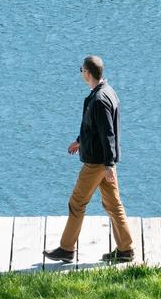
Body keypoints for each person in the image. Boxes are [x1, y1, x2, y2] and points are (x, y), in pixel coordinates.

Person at [43, 55, 136, 263]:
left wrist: (109, 164)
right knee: (113, 204)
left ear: (87, 72)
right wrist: (80, 141)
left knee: (77, 202)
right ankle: (125, 250)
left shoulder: (100, 100)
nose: (81, 73)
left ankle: (66, 249)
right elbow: (94, 128)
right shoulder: (107, 92)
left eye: (81, 70)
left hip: (97, 163)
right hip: (103, 161)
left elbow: (108, 134)